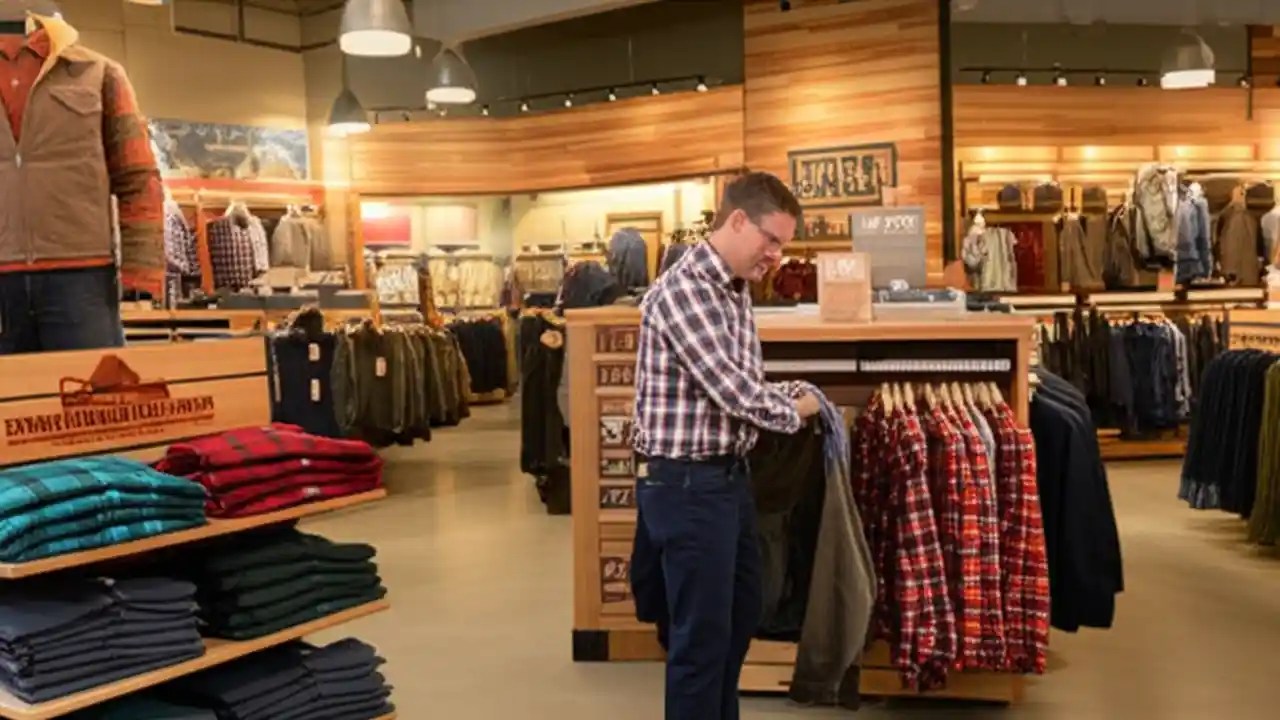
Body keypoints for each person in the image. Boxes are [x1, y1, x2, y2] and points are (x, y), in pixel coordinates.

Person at [630, 171, 821, 720]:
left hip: (724, 480)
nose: (777, 256)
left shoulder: (732, 290)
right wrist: (799, 408)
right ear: (737, 221)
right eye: (772, 240)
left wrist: (793, 391)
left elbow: (742, 379)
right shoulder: (686, 290)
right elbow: (736, 392)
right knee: (701, 644)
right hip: (688, 486)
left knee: (735, 624)